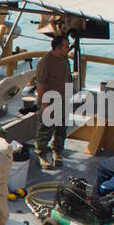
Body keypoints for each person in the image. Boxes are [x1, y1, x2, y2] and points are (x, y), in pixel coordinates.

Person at [34, 34, 73, 170]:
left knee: (61, 127)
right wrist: (44, 103)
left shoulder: (64, 60)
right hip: (50, 100)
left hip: (63, 99)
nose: (68, 49)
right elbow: (40, 83)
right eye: (66, 46)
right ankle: (41, 154)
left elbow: (67, 78)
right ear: (58, 47)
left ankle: (57, 150)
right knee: (46, 128)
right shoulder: (46, 62)